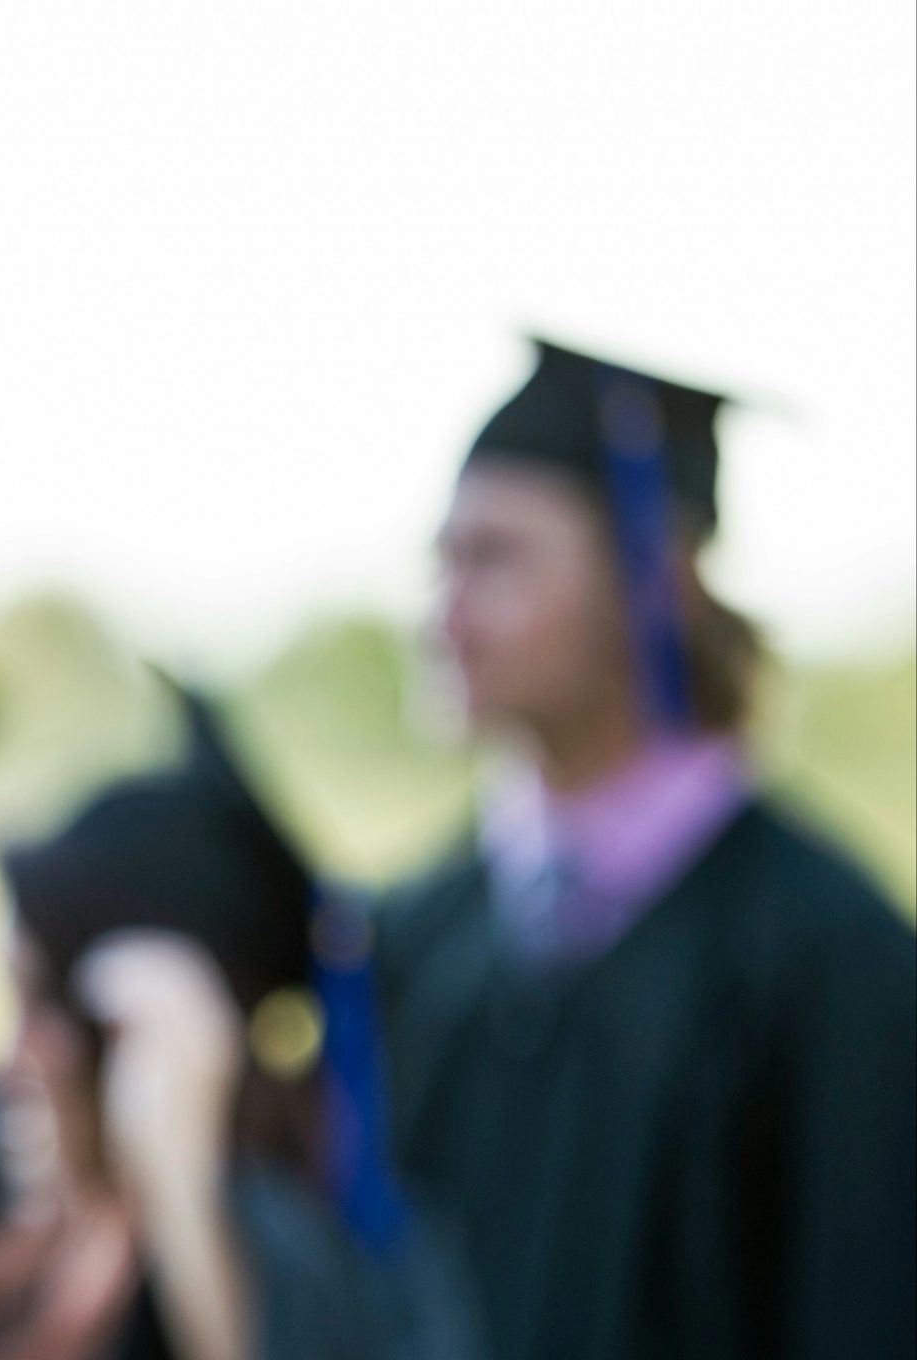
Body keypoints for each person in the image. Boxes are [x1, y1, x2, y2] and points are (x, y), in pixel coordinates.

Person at [378, 338, 915, 1359]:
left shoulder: (830, 952)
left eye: (495, 558)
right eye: (439, 563)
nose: (441, 615)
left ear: (653, 576)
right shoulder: (420, 928)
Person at [0, 689, 476, 1360]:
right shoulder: (22, 1250)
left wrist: (181, 1185)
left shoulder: (284, 1256)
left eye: (42, 1004)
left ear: (131, 1027)